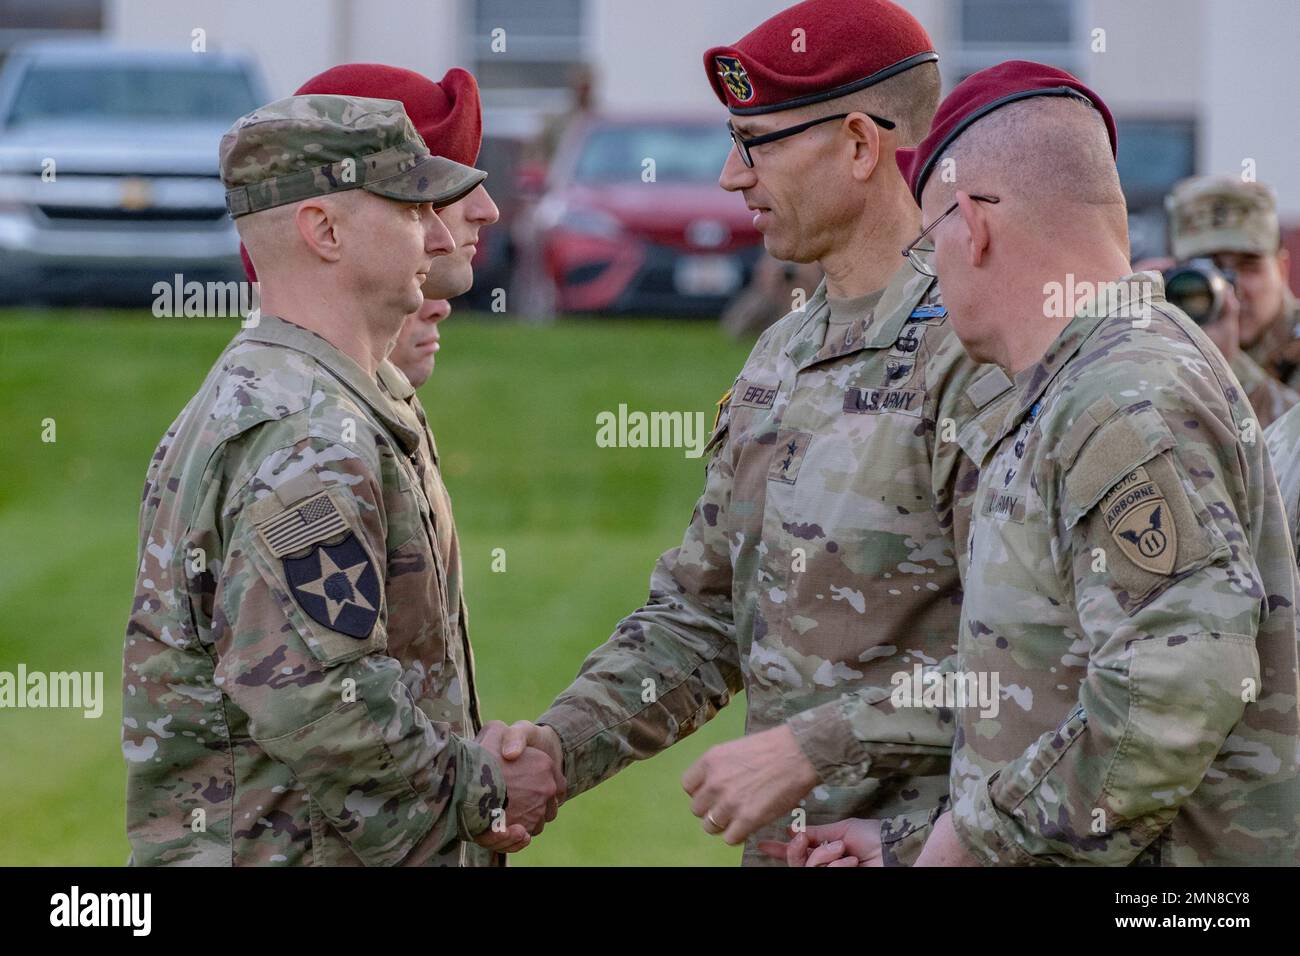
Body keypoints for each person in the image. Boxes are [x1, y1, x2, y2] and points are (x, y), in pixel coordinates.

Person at [495, 0, 1014, 865]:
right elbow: (703, 616)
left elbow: (1046, 656)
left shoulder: (977, 349)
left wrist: (848, 772)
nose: (733, 177)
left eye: (758, 144)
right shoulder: (781, 354)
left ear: (858, 145)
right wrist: (555, 750)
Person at [780, 61, 1300, 866]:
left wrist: (971, 842)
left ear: (974, 228)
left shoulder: (1122, 397)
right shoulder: (1080, 386)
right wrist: (915, 844)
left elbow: (1175, 690)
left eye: (929, 241)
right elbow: (1058, 689)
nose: (930, 272)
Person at [122, 94, 559, 866]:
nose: (435, 231)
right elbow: (322, 702)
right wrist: (482, 793)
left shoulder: (310, 394)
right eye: (407, 206)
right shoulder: (304, 428)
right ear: (324, 231)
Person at [239, 64, 500, 389]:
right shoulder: (315, 427)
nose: (488, 212)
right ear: (327, 229)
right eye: (420, 202)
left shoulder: (332, 405)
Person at [1163, 175, 1300, 427]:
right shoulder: (1166, 337)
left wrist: (1224, 363)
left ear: (1282, 268)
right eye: (1209, 268)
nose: (1232, 289)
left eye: (1249, 266)